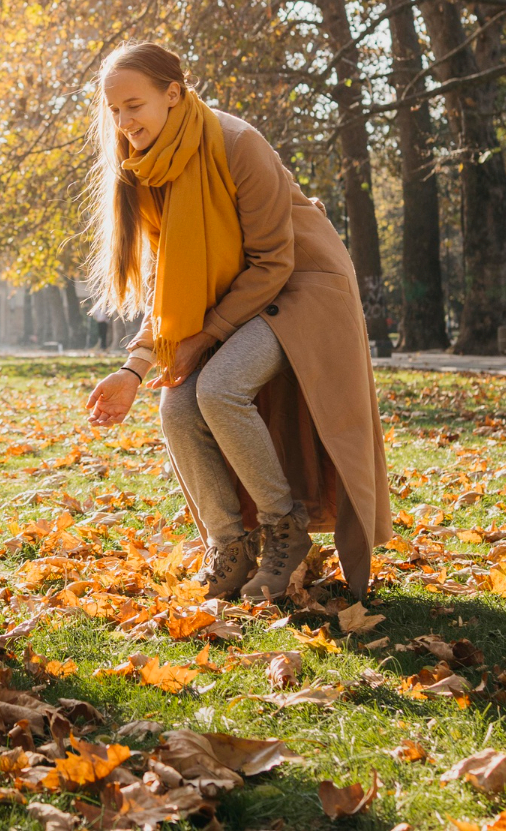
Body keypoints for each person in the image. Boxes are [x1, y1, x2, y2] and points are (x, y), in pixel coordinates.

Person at [82, 43, 390, 602]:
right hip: (237, 297)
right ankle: (230, 545)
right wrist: (133, 368)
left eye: (134, 105)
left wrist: (204, 336)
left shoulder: (237, 143)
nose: (125, 123)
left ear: (172, 94)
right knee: (176, 406)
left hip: (303, 288)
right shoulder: (145, 170)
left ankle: (284, 528)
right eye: (115, 111)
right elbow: (169, 284)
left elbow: (274, 261)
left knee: (221, 388)